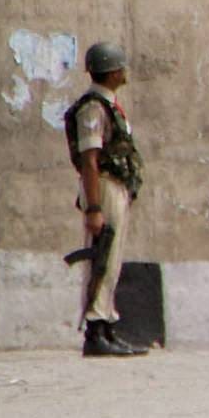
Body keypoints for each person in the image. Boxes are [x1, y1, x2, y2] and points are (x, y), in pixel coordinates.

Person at [64, 41, 147, 357]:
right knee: (102, 258)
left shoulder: (108, 104)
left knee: (112, 259)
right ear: (112, 72)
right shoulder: (93, 108)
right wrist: (95, 207)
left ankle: (107, 325)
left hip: (116, 187)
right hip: (104, 186)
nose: (124, 72)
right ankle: (95, 329)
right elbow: (90, 160)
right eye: (121, 68)